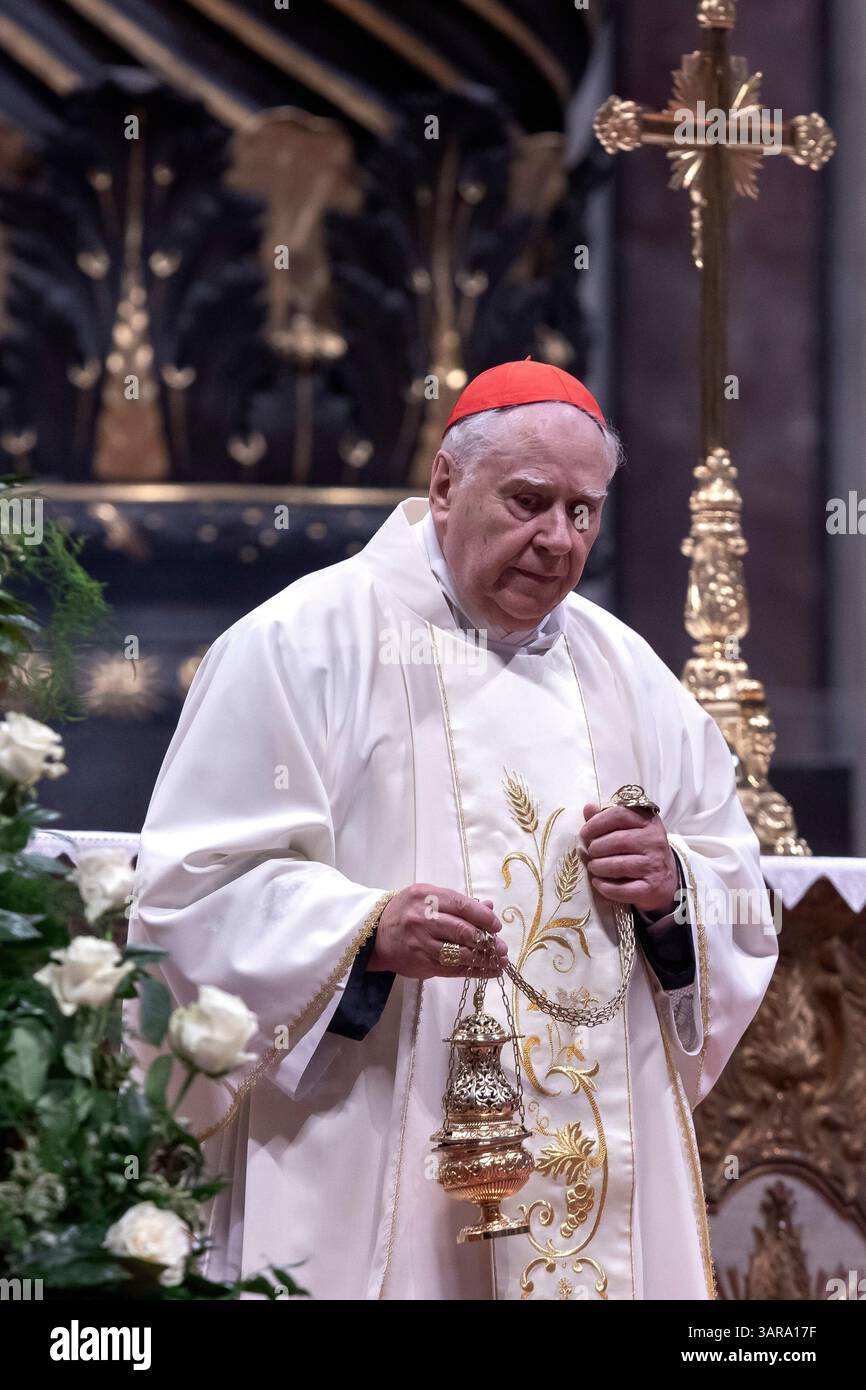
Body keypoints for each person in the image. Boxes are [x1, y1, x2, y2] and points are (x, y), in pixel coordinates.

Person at [129, 359, 778, 1300]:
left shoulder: (629, 672)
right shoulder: (303, 642)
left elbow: (740, 886)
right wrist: (365, 932)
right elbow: (189, 892)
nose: (558, 540)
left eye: (583, 511)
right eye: (528, 501)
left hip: (590, 1160)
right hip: (368, 1133)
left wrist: (675, 886)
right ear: (444, 484)